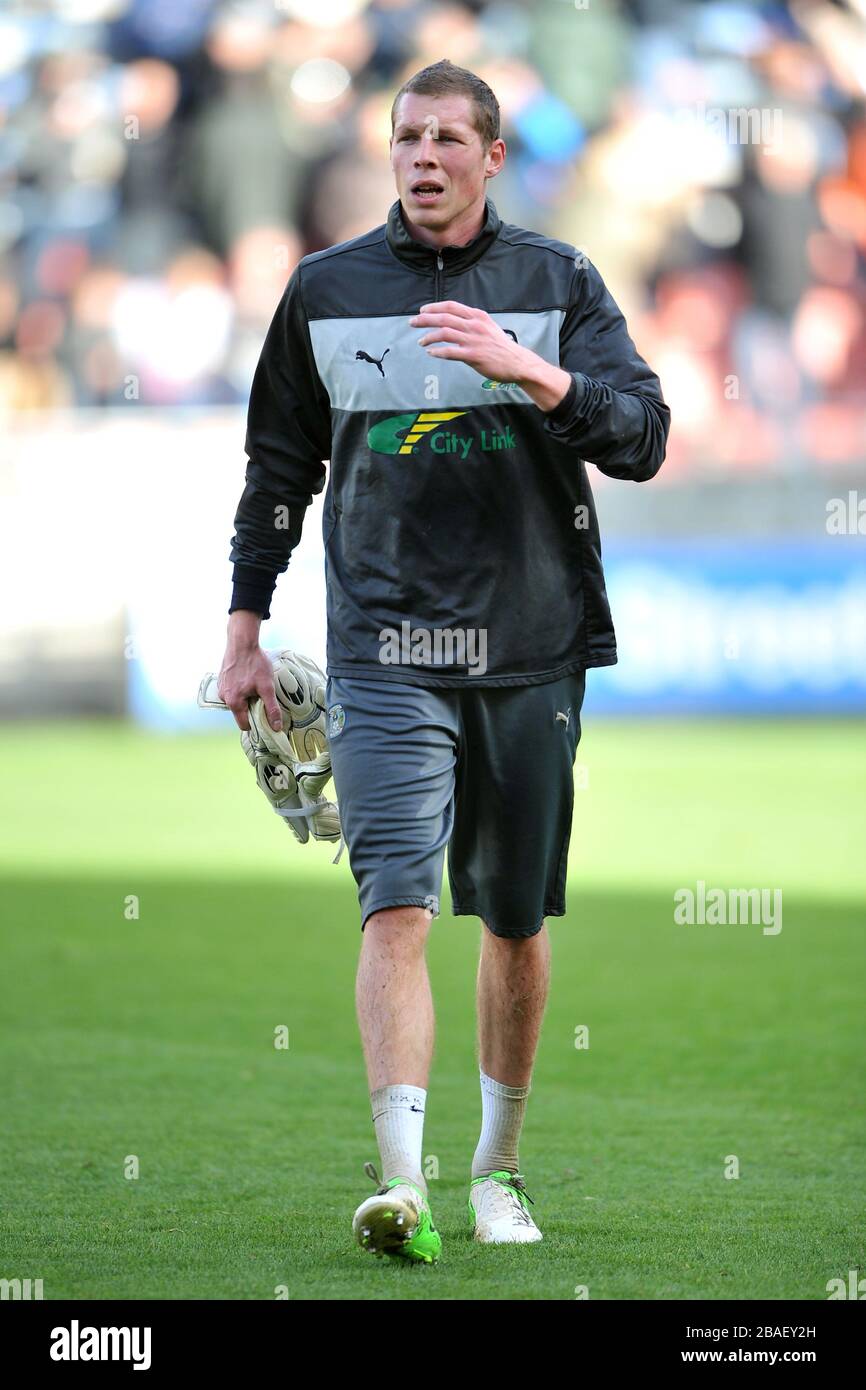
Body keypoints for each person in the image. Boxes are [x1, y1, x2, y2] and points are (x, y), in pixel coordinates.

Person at [217, 59, 670, 1264]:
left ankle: (497, 1171)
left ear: (489, 155)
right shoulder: (323, 289)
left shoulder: (555, 279)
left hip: (529, 646)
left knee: (512, 923)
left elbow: (644, 437)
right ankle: (404, 1185)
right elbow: (275, 471)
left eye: (444, 139)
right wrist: (243, 632)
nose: (421, 155)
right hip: (383, 646)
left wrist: (537, 373)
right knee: (397, 905)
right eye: (404, 136)